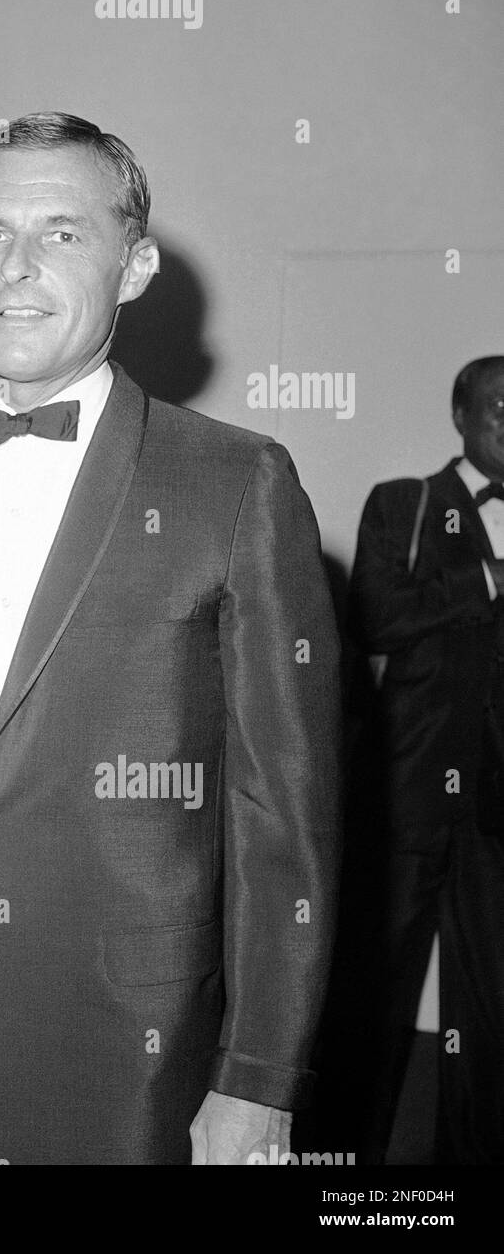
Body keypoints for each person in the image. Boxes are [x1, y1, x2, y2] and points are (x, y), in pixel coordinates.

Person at [0, 113, 342, 1165]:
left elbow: (285, 812)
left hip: (118, 1055)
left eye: (61, 234)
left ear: (133, 266)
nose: (16, 267)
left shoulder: (235, 482)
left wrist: (259, 1081)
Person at [347, 356, 504, 1164]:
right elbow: (375, 615)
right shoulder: (405, 504)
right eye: (498, 406)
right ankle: (346, 1171)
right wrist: (486, 577)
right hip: (407, 793)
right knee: (376, 997)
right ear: (459, 413)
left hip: (496, 810)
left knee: (490, 1014)